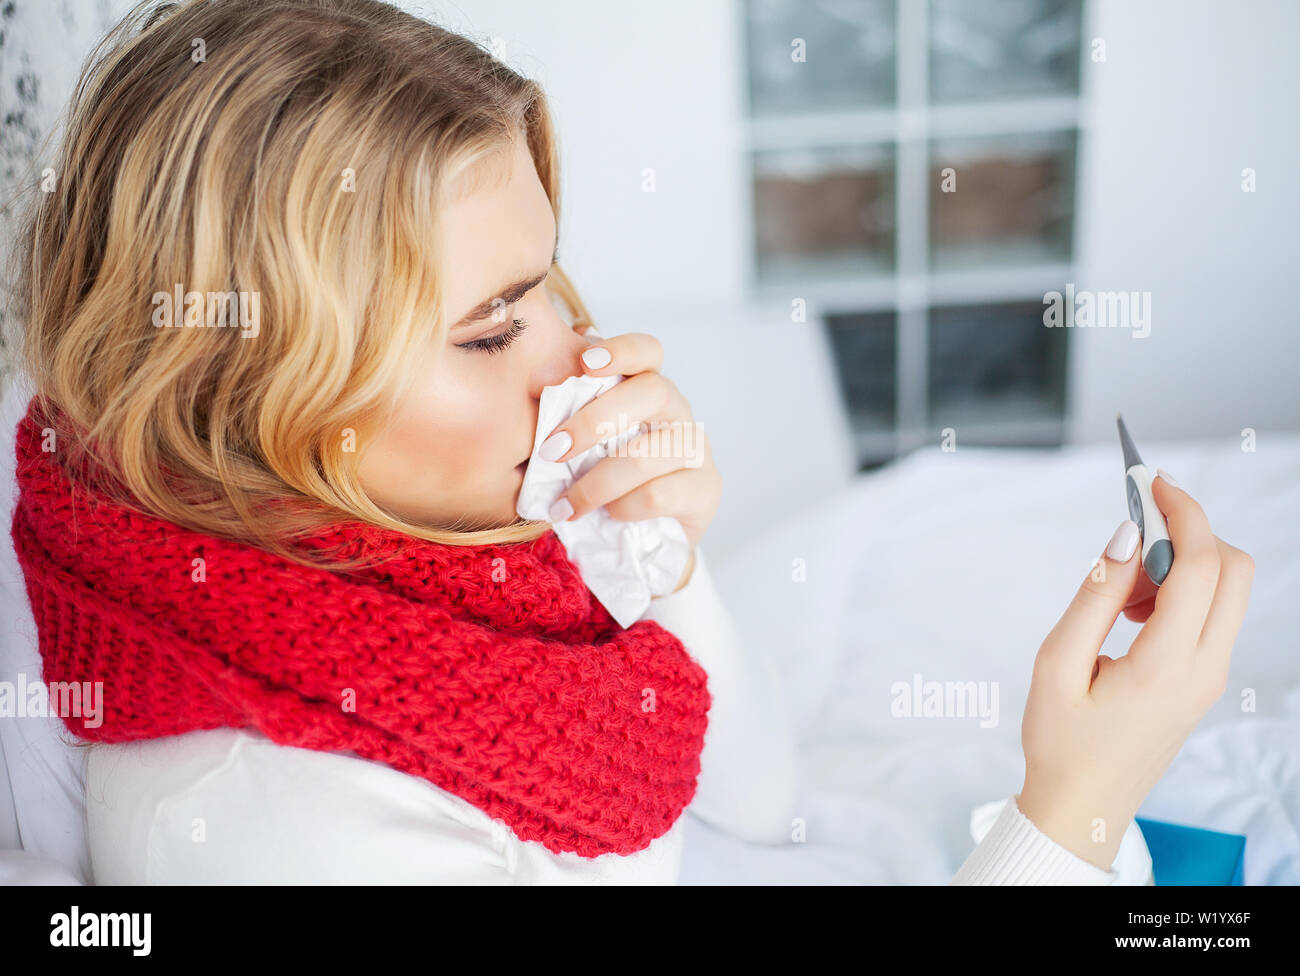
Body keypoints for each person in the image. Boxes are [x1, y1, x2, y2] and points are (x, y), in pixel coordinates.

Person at [4, 0, 1253, 885]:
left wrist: (654, 556)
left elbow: (751, 812)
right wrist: (1076, 805)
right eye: (490, 333)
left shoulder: (438, 559)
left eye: (546, 282)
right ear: (237, 423)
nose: (575, 351)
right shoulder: (285, 833)